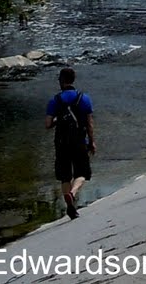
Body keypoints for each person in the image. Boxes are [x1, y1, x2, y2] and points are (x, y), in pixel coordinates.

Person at [45, 67, 95, 219]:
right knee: (82, 173)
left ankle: (70, 206)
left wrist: (57, 120)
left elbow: (47, 124)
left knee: (65, 176)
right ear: (73, 80)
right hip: (79, 140)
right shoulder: (84, 98)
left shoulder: (55, 100)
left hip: (61, 142)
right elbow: (89, 124)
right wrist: (92, 142)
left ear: (61, 80)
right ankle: (72, 194)